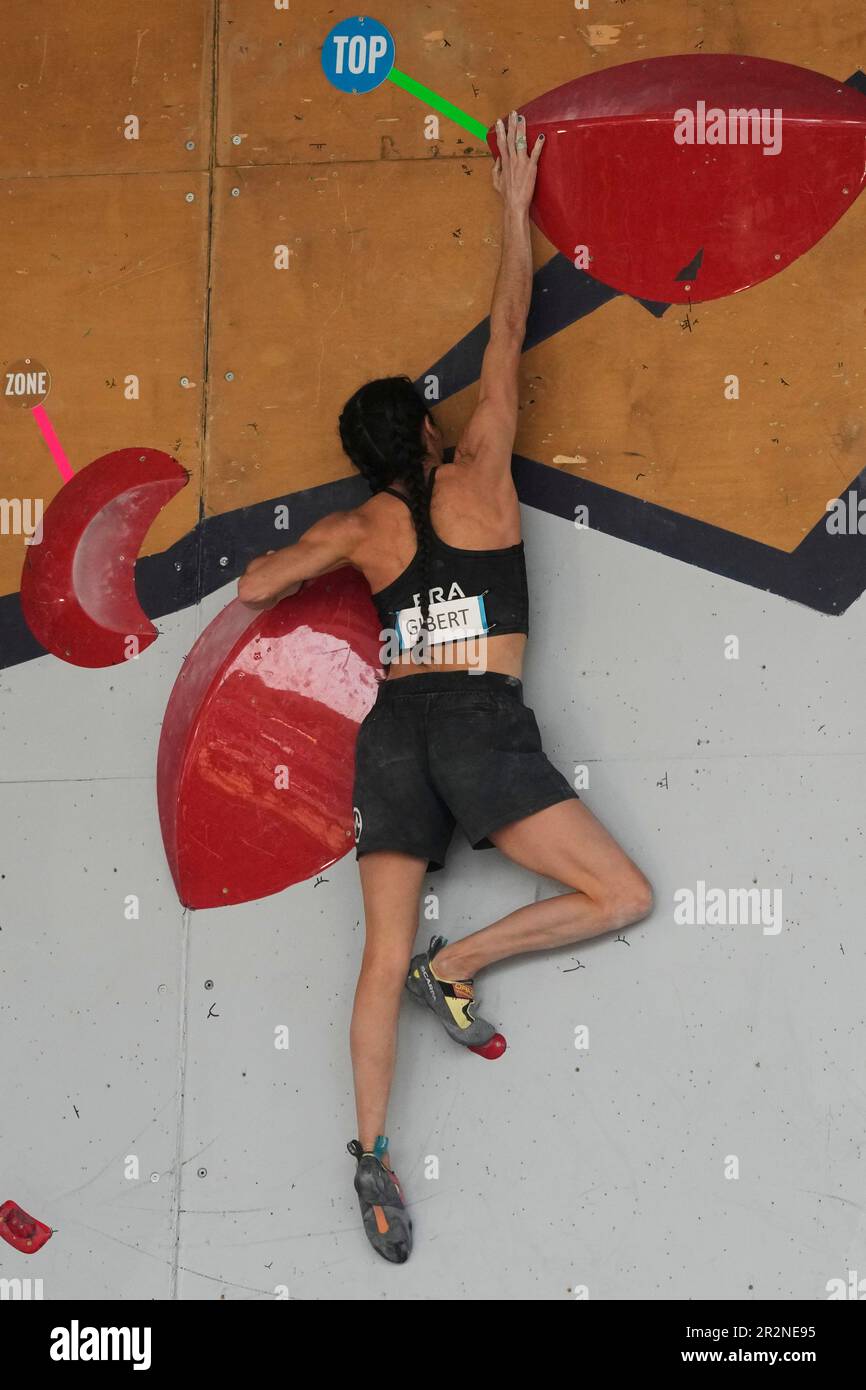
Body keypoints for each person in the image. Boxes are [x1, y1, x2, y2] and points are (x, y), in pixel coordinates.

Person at [238, 111, 654, 1264]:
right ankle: (459, 966)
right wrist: (512, 210)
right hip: (472, 724)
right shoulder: (476, 476)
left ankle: (367, 1162)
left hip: (389, 736)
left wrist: (309, 552)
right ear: (426, 430)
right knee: (619, 896)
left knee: (369, 957)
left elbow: (253, 585)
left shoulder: (356, 525)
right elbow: (507, 331)